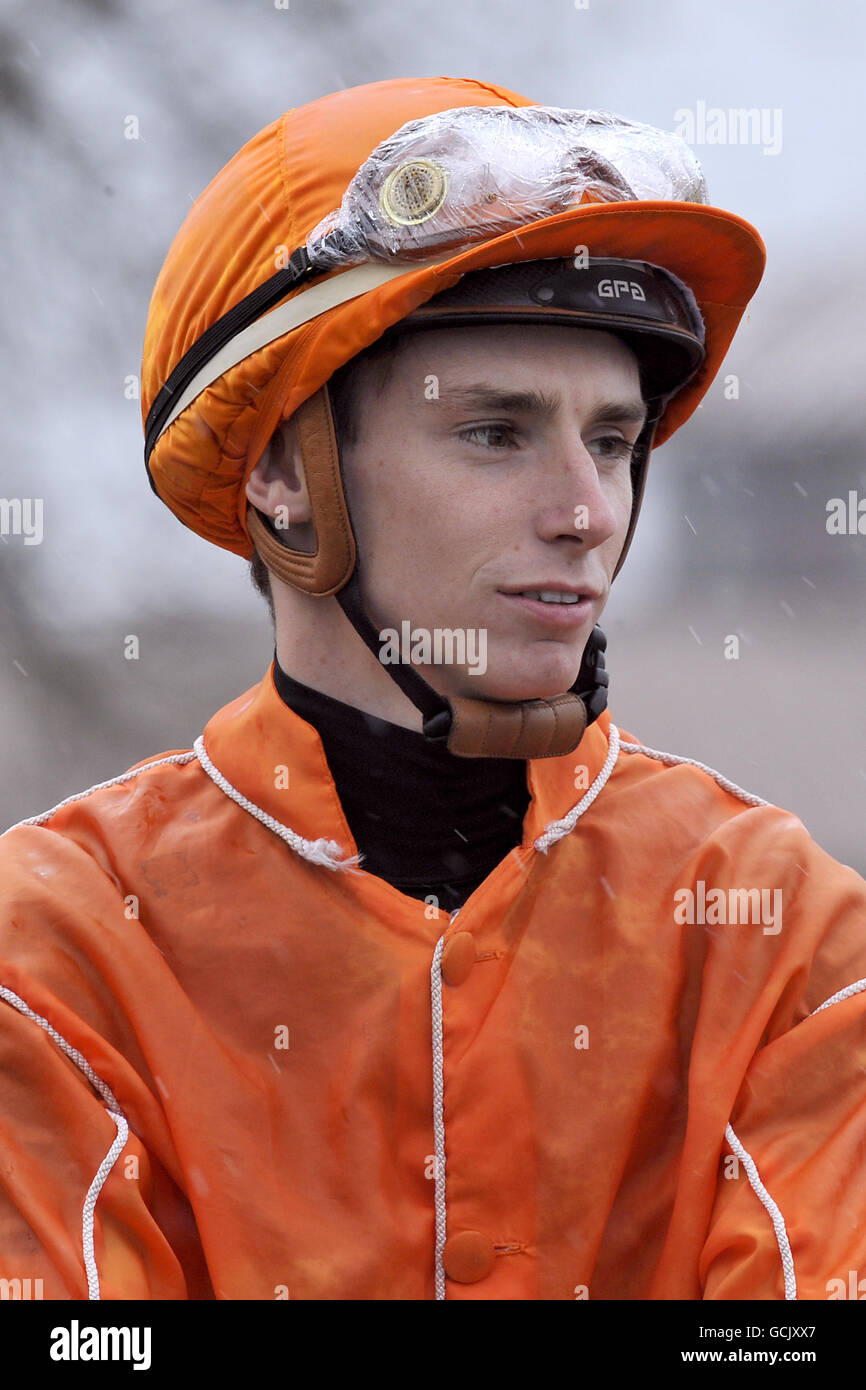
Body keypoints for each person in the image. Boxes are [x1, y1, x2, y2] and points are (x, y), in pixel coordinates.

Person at [1, 75, 864, 1303]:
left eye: (611, 442)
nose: (583, 514)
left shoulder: (788, 935)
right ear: (280, 477)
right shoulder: (53, 947)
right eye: (495, 432)